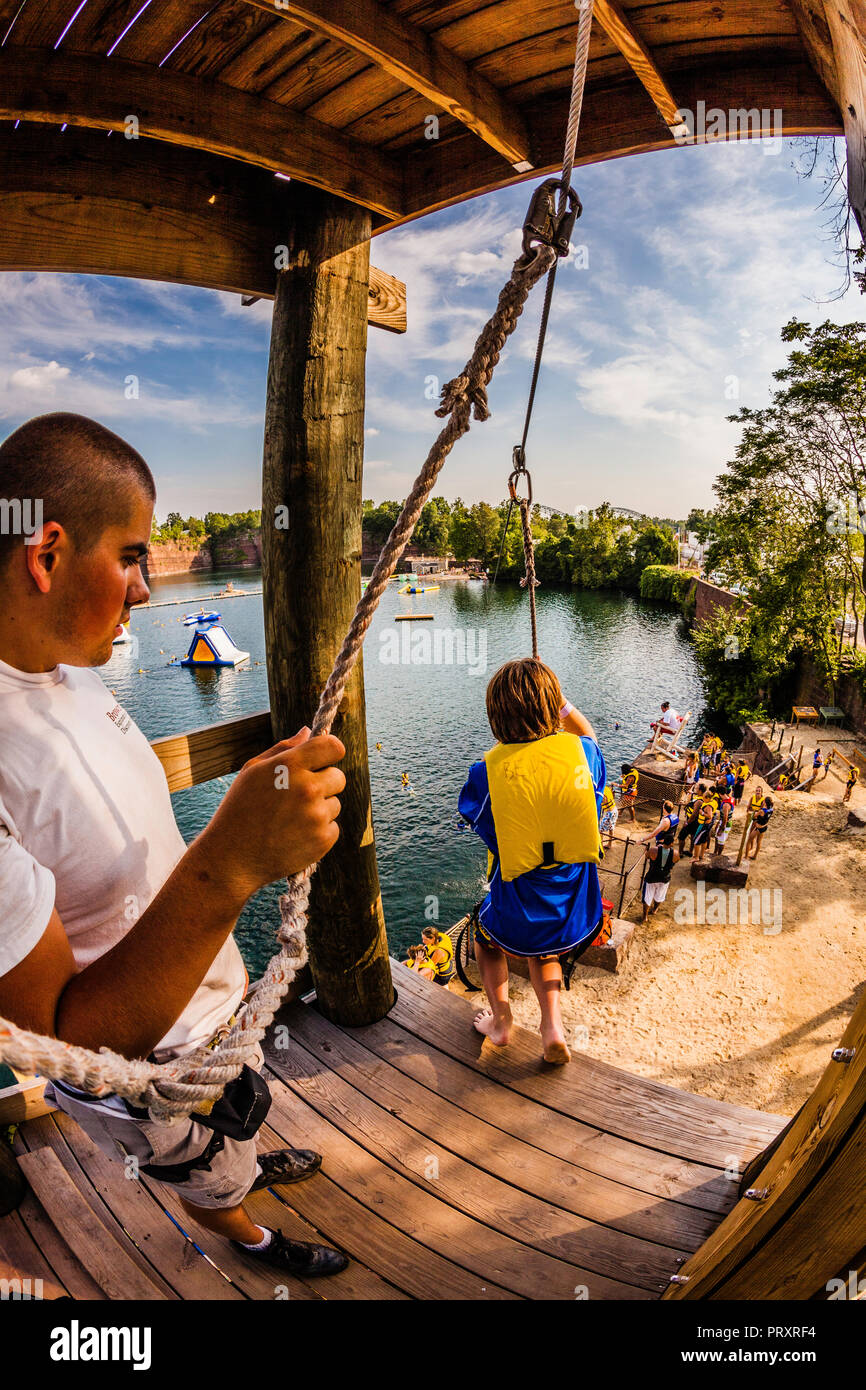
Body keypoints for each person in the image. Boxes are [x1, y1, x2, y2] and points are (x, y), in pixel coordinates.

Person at [0, 414, 350, 1279]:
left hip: (209, 1022)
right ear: (46, 555)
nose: (145, 590)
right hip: (147, 1069)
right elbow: (63, 1039)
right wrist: (232, 856)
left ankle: (246, 1171)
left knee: (240, 1126)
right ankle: (248, 1236)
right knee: (202, 1167)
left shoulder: (66, 670)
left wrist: (247, 799)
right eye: (131, 556)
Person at [457, 659, 606, 1065]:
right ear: (551, 706)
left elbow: (482, 824)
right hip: (572, 910)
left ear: (495, 717)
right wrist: (562, 706)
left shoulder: (484, 775)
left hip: (518, 910)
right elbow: (587, 734)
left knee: (484, 938)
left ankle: (502, 1022)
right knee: (546, 952)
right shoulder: (584, 756)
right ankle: (552, 1027)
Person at [641, 839, 675, 922]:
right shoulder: (675, 853)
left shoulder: (653, 850)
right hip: (664, 878)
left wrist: (646, 850)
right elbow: (674, 862)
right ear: (671, 843)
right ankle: (654, 910)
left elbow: (647, 856)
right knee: (659, 896)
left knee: (647, 897)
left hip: (652, 877)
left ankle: (645, 916)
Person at [678, 783, 707, 857]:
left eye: (697, 788)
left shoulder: (699, 801)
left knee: (681, 836)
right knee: (692, 836)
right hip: (694, 821)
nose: (695, 789)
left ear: (700, 791)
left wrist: (687, 823)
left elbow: (694, 815)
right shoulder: (698, 798)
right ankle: (690, 851)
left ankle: (680, 852)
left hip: (692, 821)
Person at [691, 793, 718, 864]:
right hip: (707, 825)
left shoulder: (708, 806)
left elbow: (710, 816)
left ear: (708, 798)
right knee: (703, 840)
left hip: (704, 825)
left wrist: (701, 812)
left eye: (704, 798)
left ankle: (696, 857)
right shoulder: (713, 802)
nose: (702, 799)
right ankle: (701, 855)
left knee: (696, 841)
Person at [599, 782, 619, 849]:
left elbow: (603, 801)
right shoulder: (607, 788)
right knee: (611, 828)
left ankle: (600, 846)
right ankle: (610, 844)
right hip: (614, 811)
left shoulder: (602, 793)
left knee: (600, 830)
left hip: (609, 813)